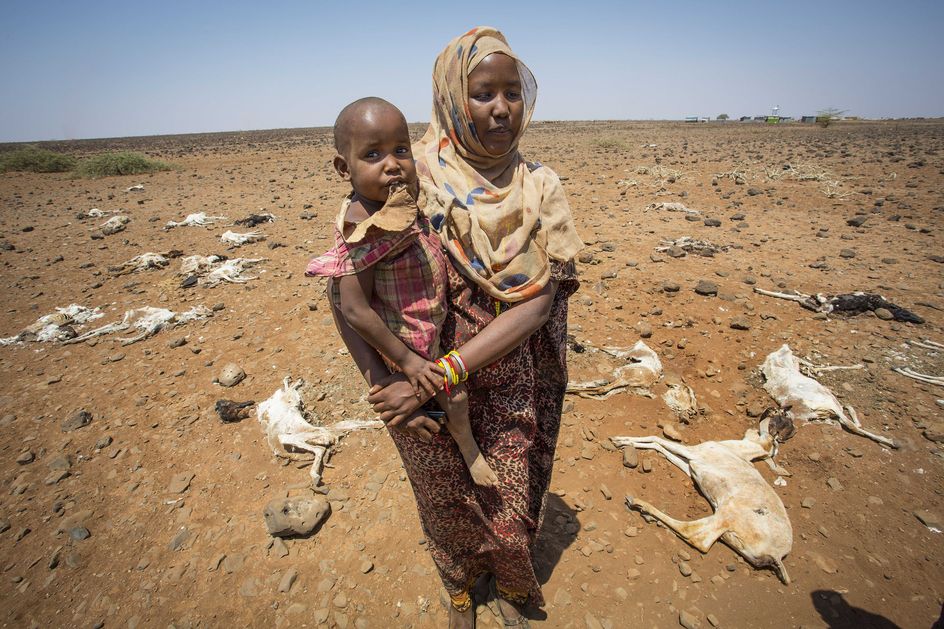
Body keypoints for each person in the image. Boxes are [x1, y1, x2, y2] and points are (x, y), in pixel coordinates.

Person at [354, 27, 583, 628]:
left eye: (512, 92)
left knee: (508, 490)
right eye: (483, 93)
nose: (502, 108)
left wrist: (443, 371)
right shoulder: (411, 174)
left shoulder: (541, 186)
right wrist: (387, 381)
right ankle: (458, 587)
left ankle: (509, 584)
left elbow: (536, 304)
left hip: (506, 372)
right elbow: (349, 287)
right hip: (419, 377)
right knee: (441, 494)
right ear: (454, 99)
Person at [306, 97, 498, 488]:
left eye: (400, 150)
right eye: (373, 154)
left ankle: (455, 435)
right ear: (344, 168)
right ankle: (467, 448)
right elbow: (353, 309)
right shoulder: (364, 229)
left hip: (429, 325)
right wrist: (407, 364)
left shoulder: (396, 203)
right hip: (405, 340)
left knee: (447, 397)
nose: (392, 164)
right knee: (446, 399)